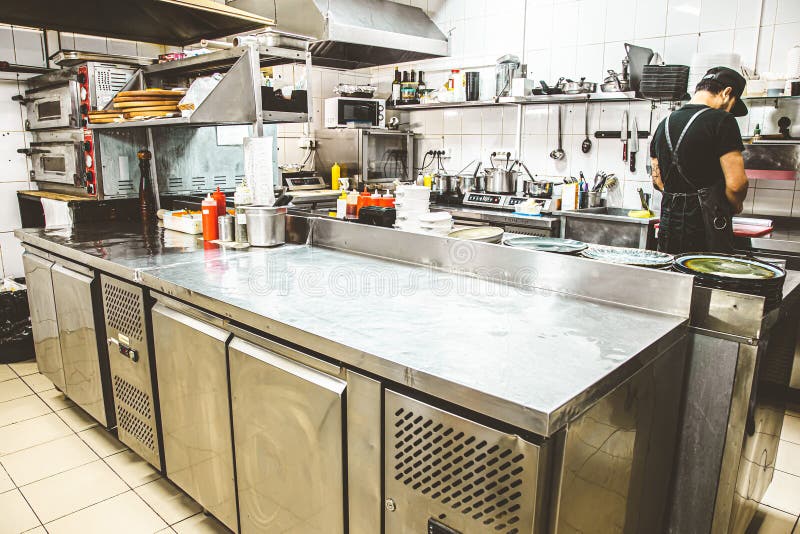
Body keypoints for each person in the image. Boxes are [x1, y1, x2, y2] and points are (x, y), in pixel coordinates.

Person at [649, 66, 750, 254]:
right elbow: (737, 184)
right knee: (707, 281)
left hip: (668, 225)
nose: (730, 111)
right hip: (706, 228)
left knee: (673, 277)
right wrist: (735, 206)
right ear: (727, 93)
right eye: (732, 104)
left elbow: (657, 181)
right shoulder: (722, 120)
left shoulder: (664, 124)